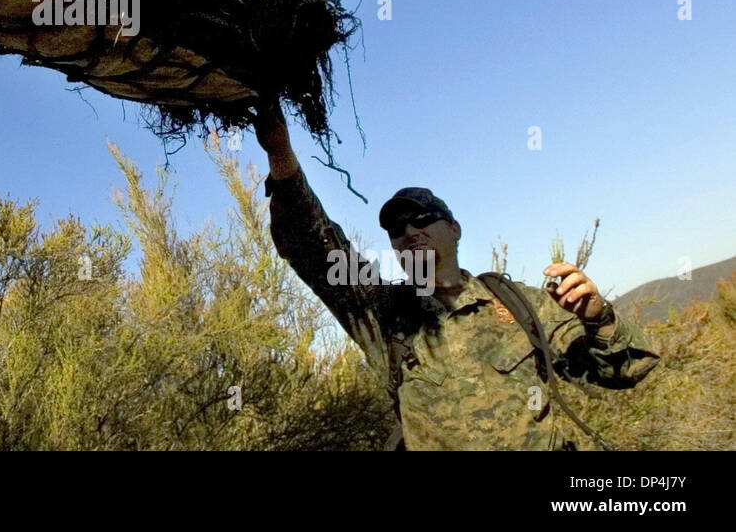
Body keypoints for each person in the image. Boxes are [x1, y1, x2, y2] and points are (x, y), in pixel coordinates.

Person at [253, 100, 659, 450]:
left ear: (454, 229)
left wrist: (599, 319)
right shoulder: (384, 314)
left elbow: (623, 371)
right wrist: (281, 156)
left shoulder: (519, 304)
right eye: (397, 230)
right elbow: (313, 249)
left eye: (422, 220)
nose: (409, 233)